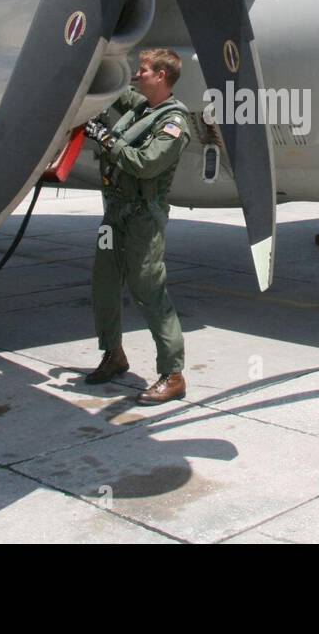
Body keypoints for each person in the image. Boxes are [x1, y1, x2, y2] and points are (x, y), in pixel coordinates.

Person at [82, 48, 193, 405]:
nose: (137, 75)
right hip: (114, 212)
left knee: (148, 288)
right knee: (104, 283)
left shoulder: (173, 122)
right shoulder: (141, 107)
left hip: (144, 217)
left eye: (143, 70)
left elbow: (147, 164)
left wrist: (105, 140)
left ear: (161, 76)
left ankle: (173, 374)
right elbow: (116, 90)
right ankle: (113, 354)